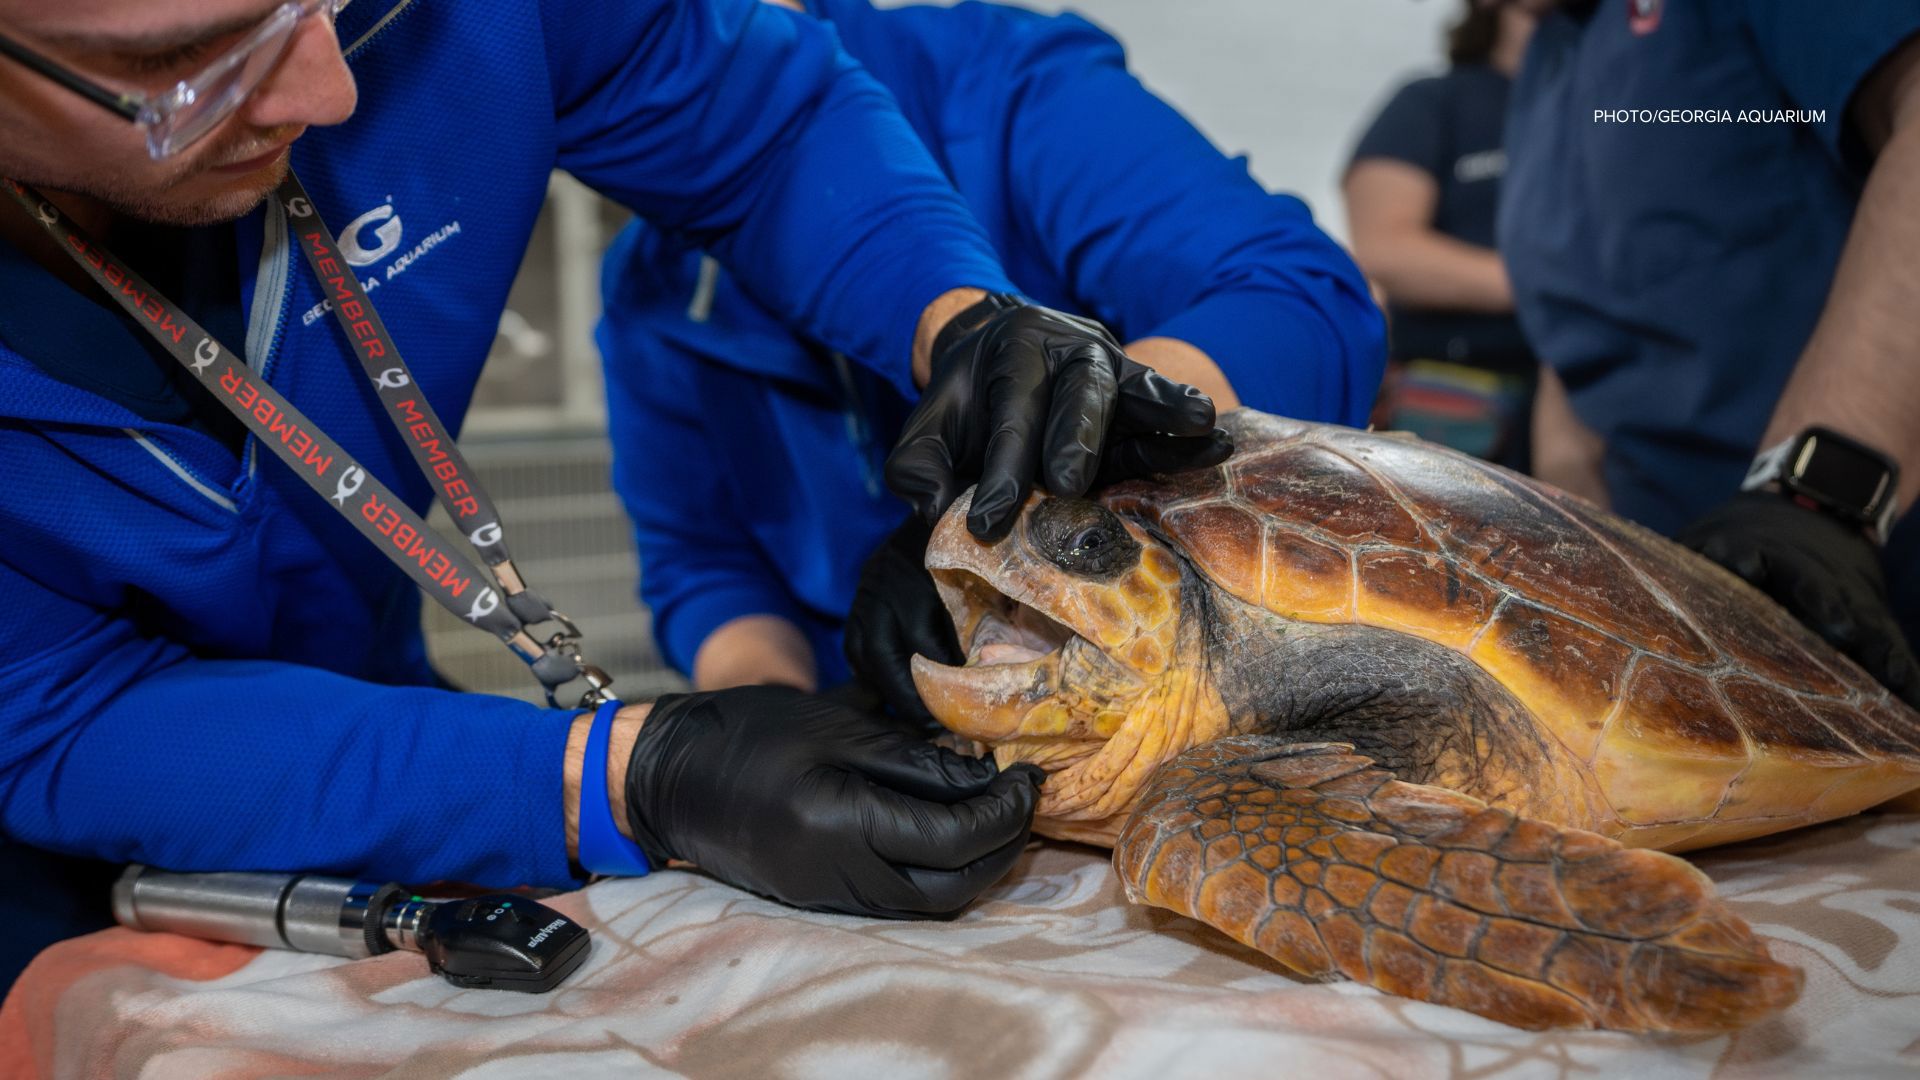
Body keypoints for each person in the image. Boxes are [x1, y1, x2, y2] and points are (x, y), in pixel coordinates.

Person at [0, 0, 1231, 986]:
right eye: (191, 59)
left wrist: (955, 317)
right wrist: (623, 776)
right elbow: (54, 711)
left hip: (381, 728)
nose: (329, 92)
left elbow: (758, 122)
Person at [598, 0, 1384, 698]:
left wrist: (1039, 471)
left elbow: (1301, 301)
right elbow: (700, 563)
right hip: (868, 704)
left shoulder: (1004, 86)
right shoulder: (650, 282)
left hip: (1154, 673)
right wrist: (767, 718)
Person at [1496, 0, 1920, 705]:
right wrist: (1585, 564)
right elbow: (1574, 336)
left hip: (1861, 573)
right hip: (1678, 626)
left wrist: (1818, 505)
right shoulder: (1550, 55)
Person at [1344, 0, 1539, 472]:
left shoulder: (1627, 116)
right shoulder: (1432, 101)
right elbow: (1384, 250)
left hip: (1603, 389)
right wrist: (1561, 289)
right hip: (1461, 391)